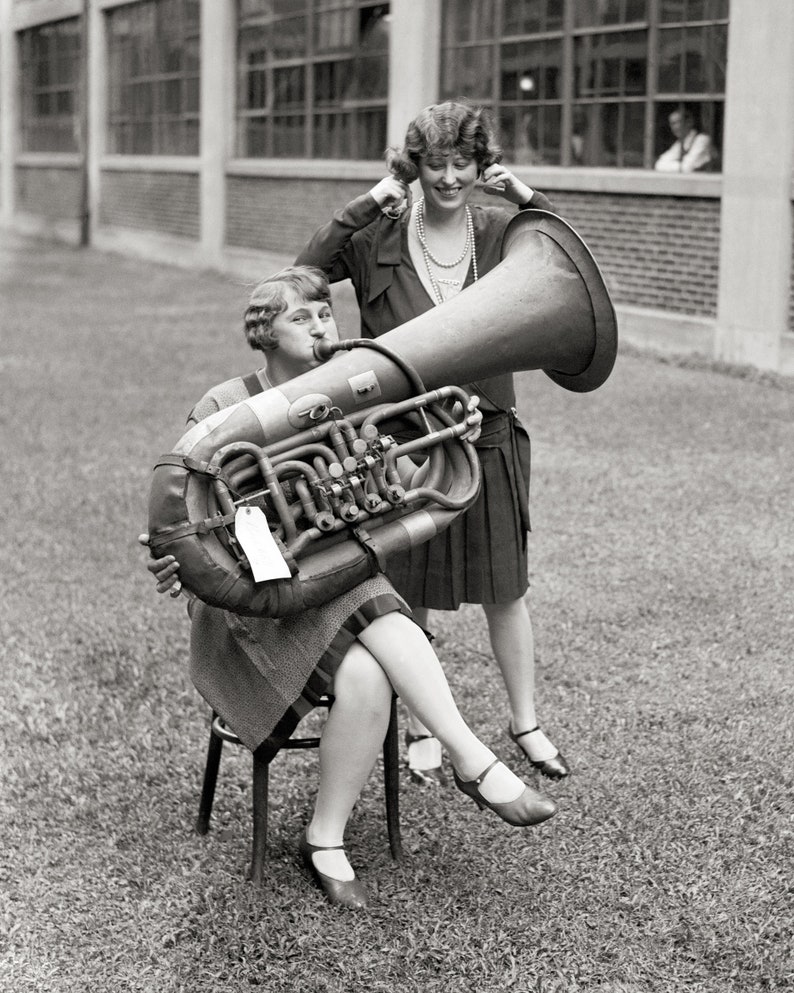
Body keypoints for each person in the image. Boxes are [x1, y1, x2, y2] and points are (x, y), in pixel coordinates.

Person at [140, 265, 556, 912]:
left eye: (324, 313)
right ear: (263, 334)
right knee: (365, 587)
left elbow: (402, 477)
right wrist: (173, 561)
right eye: (298, 317)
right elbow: (178, 514)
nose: (319, 324)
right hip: (248, 618)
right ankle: (474, 761)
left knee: (367, 665)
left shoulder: (352, 395)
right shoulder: (224, 408)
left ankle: (324, 838)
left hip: (327, 591)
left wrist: (453, 437)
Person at [295, 100, 570, 786]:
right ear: (413, 167)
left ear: (483, 164)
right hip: (403, 440)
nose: (449, 177)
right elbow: (305, 271)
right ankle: (423, 726)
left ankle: (526, 720)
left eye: (462, 163)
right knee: (406, 584)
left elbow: (566, 259)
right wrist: (367, 203)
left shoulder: (504, 227)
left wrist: (529, 197)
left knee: (507, 587)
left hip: (489, 430)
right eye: (435, 164)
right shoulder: (378, 235)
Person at [654, 108, 715, 173]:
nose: (674, 127)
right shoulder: (680, 142)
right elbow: (659, 164)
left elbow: (687, 167)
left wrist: (674, 164)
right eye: (672, 124)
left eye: (678, 122)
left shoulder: (702, 139)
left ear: (689, 122)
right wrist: (680, 164)